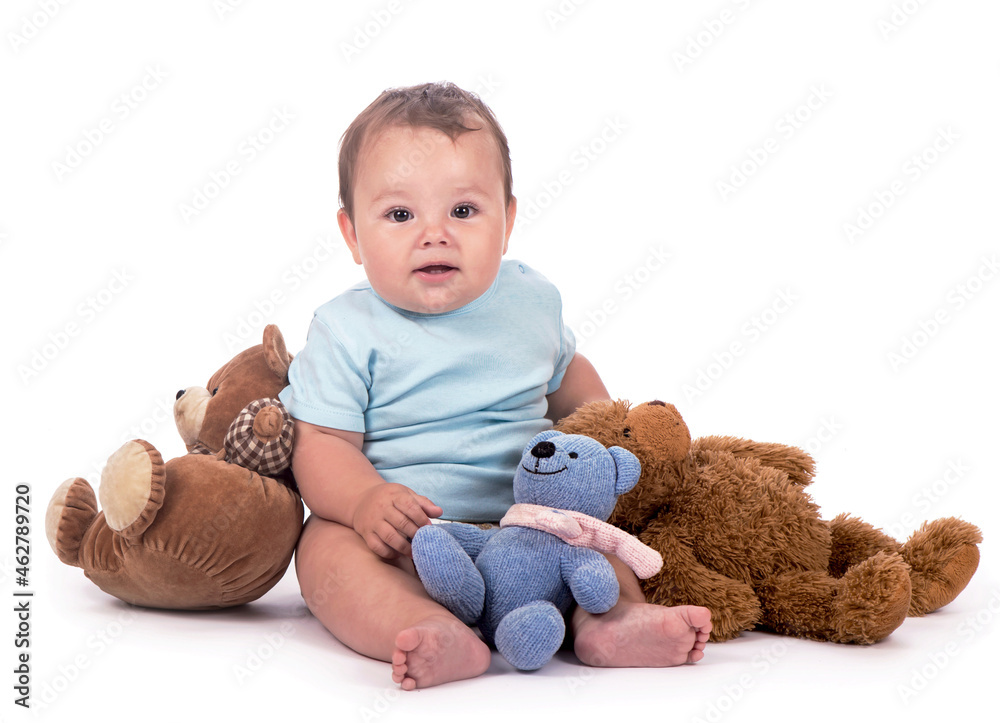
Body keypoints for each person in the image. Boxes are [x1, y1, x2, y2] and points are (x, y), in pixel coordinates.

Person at [280, 81, 711, 690]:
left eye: (463, 211)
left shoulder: (530, 301)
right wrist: (361, 502)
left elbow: (568, 382)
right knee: (326, 550)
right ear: (352, 234)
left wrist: (610, 432)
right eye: (400, 215)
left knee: (601, 539)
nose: (435, 234)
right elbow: (321, 441)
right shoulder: (346, 330)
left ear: (506, 220)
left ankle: (609, 623)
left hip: (535, 525)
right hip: (409, 537)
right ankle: (431, 626)